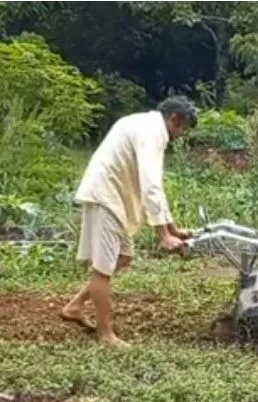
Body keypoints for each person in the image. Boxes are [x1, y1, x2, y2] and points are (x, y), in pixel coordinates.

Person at [60, 97, 197, 347]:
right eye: (182, 128)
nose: (181, 134)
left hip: (113, 195)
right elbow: (151, 184)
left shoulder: (143, 123)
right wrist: (163, 235)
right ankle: (106, 335)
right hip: (106, 195)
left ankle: (75, 306)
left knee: (121, 258)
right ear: (174, 119)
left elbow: (155, 186)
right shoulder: (153, 133)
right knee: (103, 268)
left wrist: (172, 228)